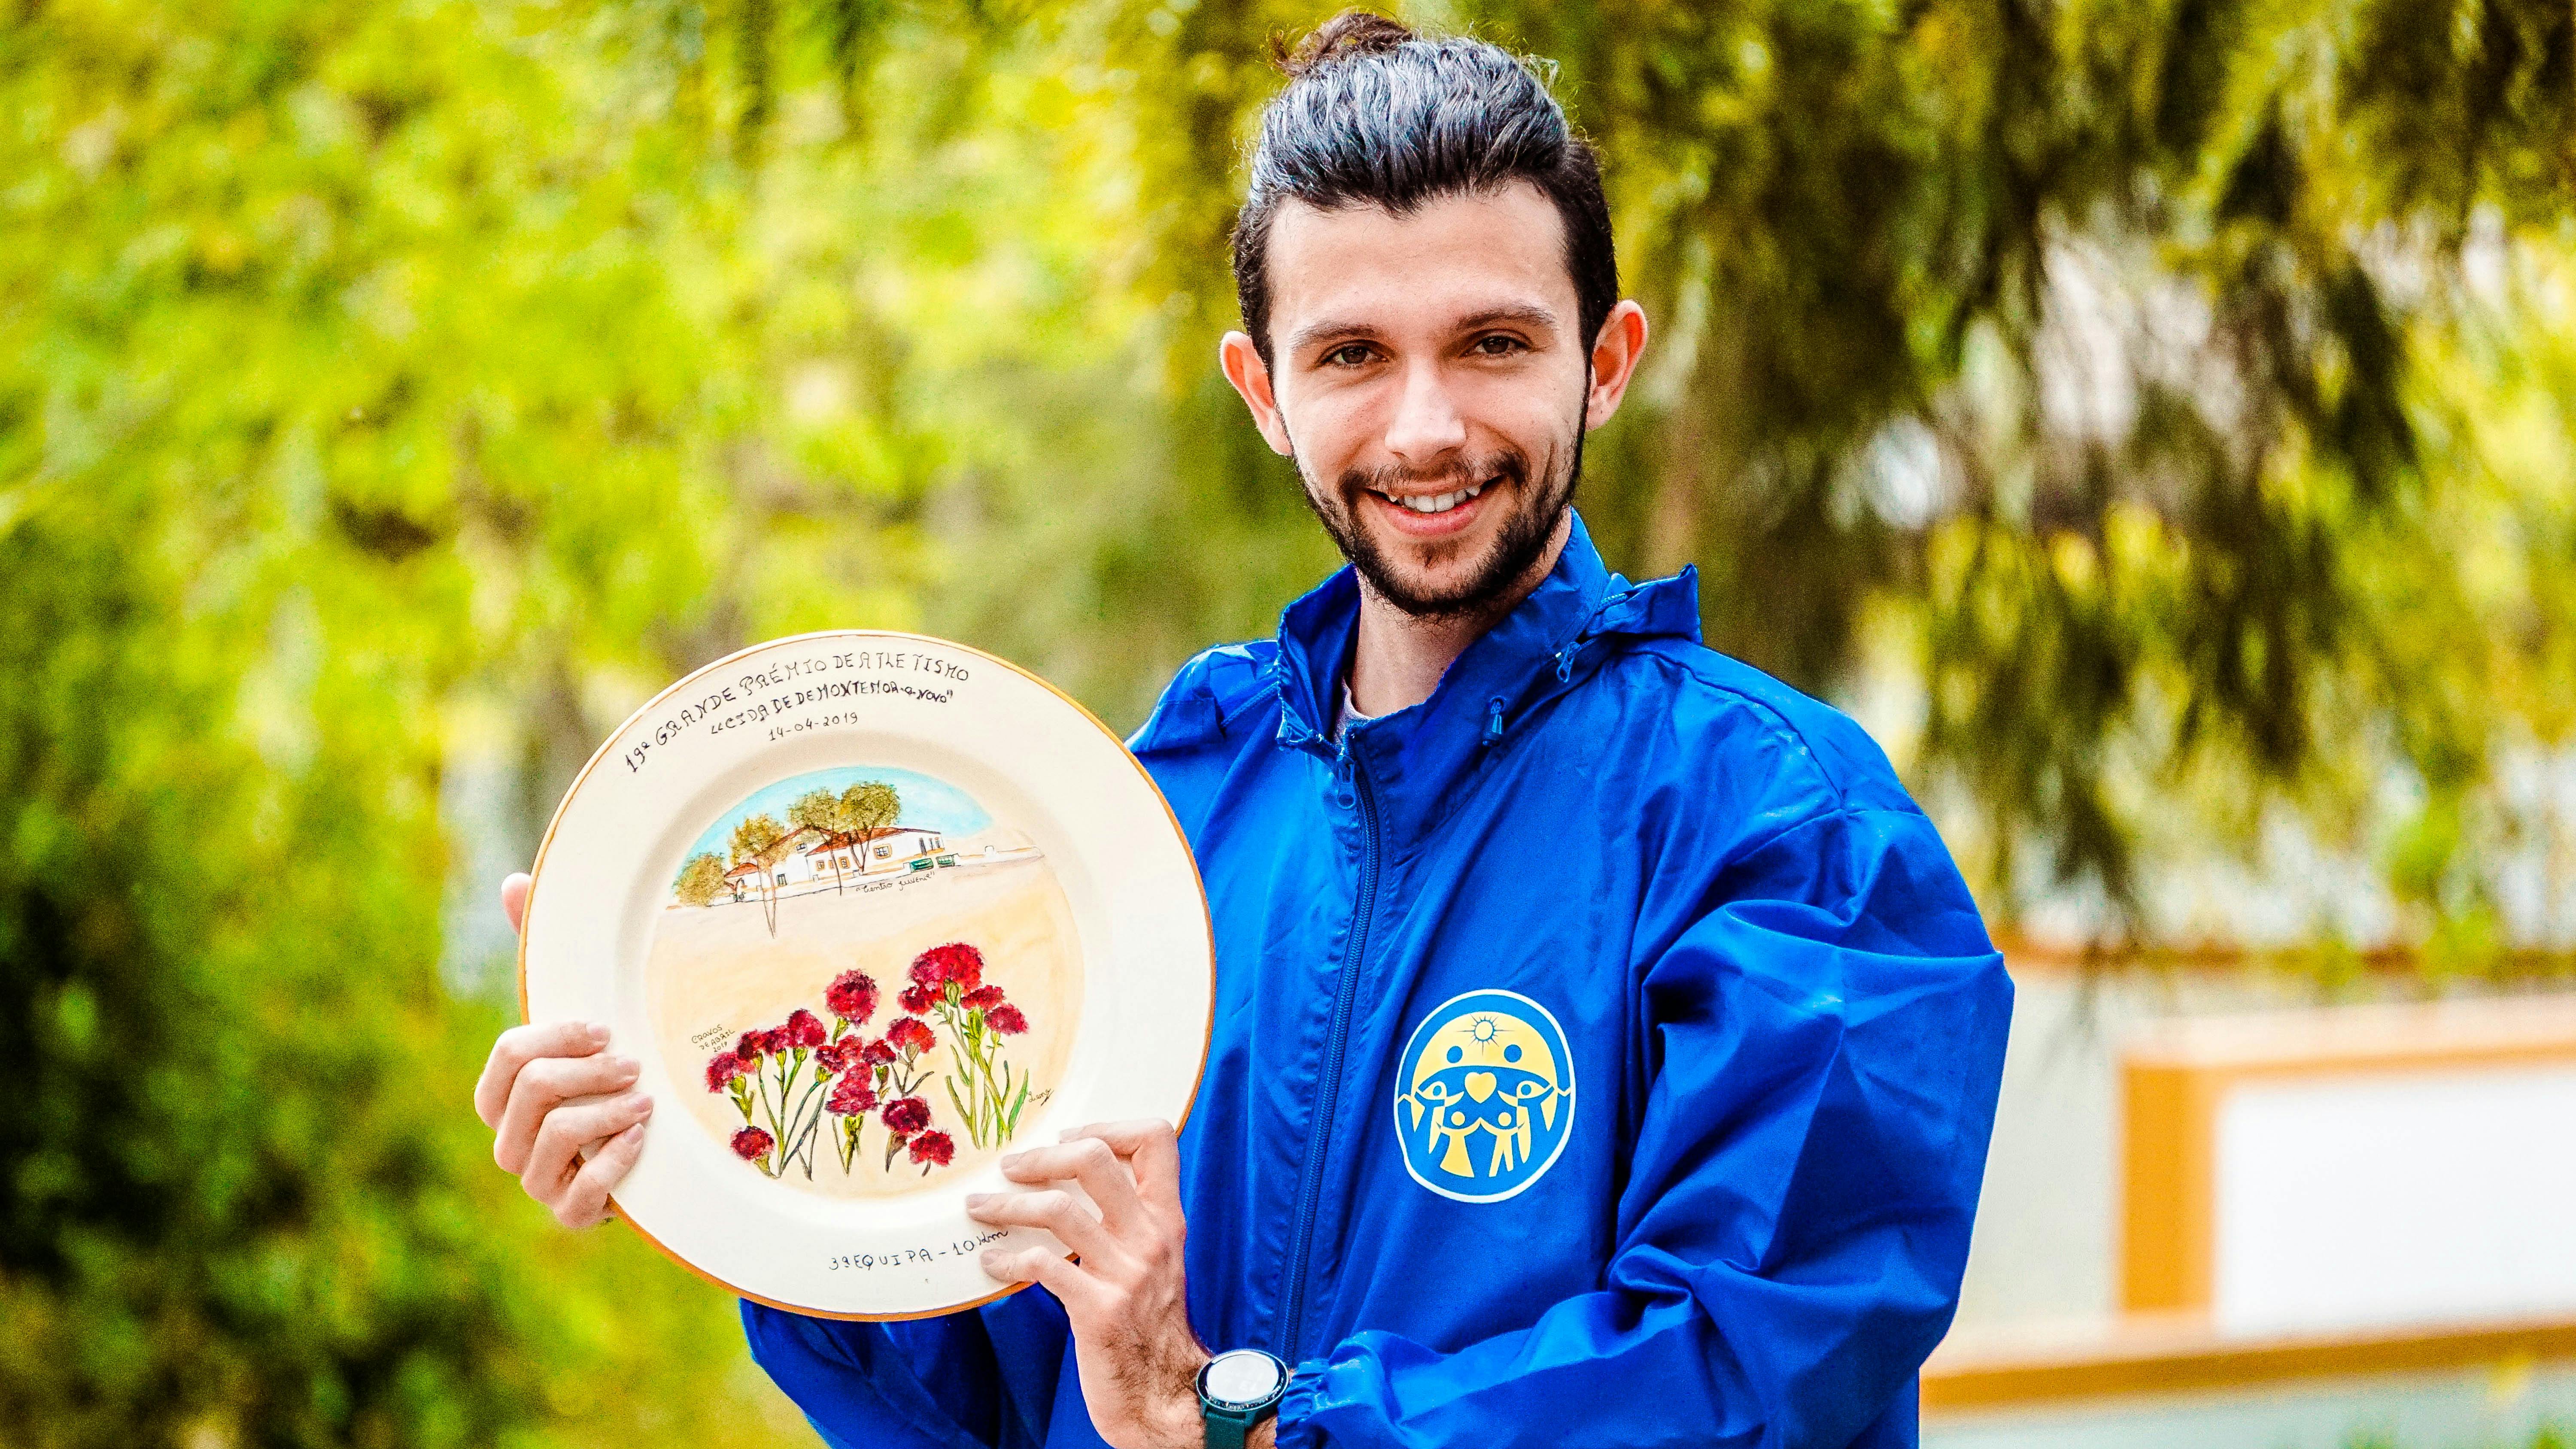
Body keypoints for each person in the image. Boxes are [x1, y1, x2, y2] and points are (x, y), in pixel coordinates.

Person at [473, 14, 2013, 1449]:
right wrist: (719, 1158)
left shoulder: (1787, 828)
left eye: (1493, 343)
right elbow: (1000, 1379)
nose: (1426, 428)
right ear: (1264, 390)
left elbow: (1752, 1367)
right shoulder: (1149, 816)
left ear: (1604, 363)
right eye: (1352, 355)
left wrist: (1247, 1418)